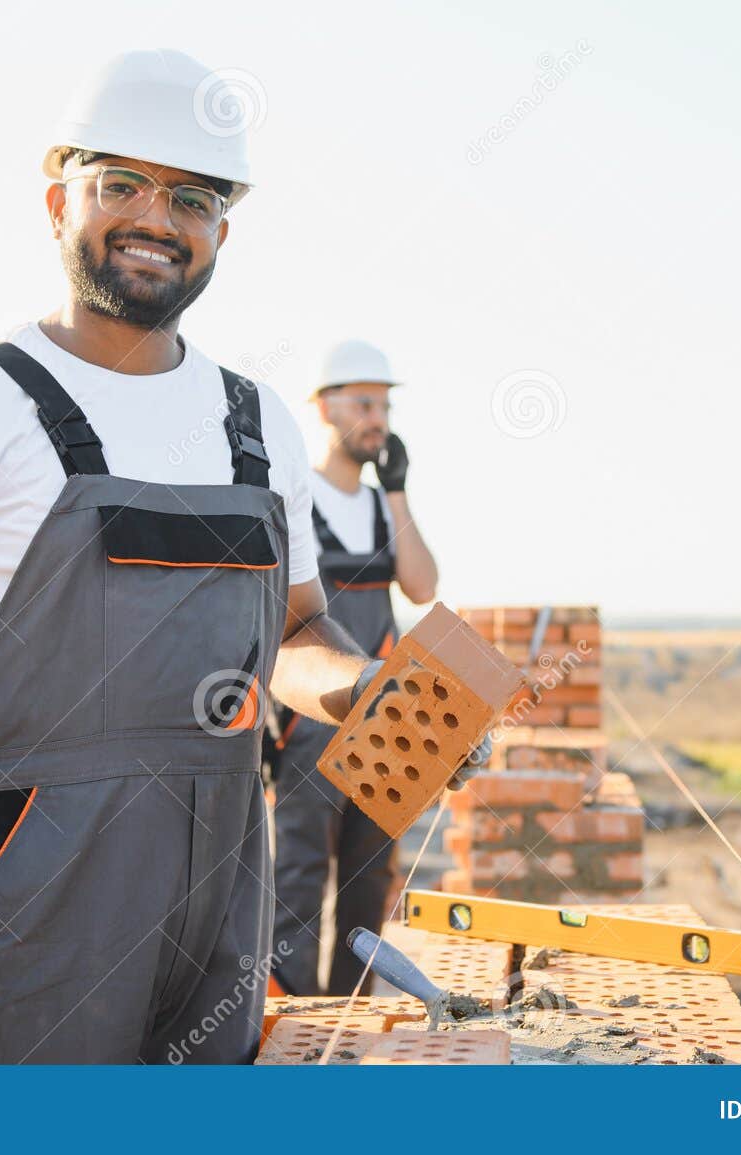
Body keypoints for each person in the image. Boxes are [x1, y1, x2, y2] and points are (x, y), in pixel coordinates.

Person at [0, 50, 481, 1065]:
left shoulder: (258, 424)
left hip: (219, 905)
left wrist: (368, 693)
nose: (158, 219)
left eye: (193, 197)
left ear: (222, 229)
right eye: (121, 184)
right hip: (17, 906)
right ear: (55, 201)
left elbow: (296, 631)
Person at [270, 339, 441, 996]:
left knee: (370, 877)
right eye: (364, 403)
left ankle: (352, 1018)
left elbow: (423, 587)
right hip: (311, 720)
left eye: (385, 405)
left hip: (387, 721)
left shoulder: (379, 507)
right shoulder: (296, 496)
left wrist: (396, 491)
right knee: (301, 878)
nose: (378, 418)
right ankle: (292, 1023)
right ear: (323, 407)